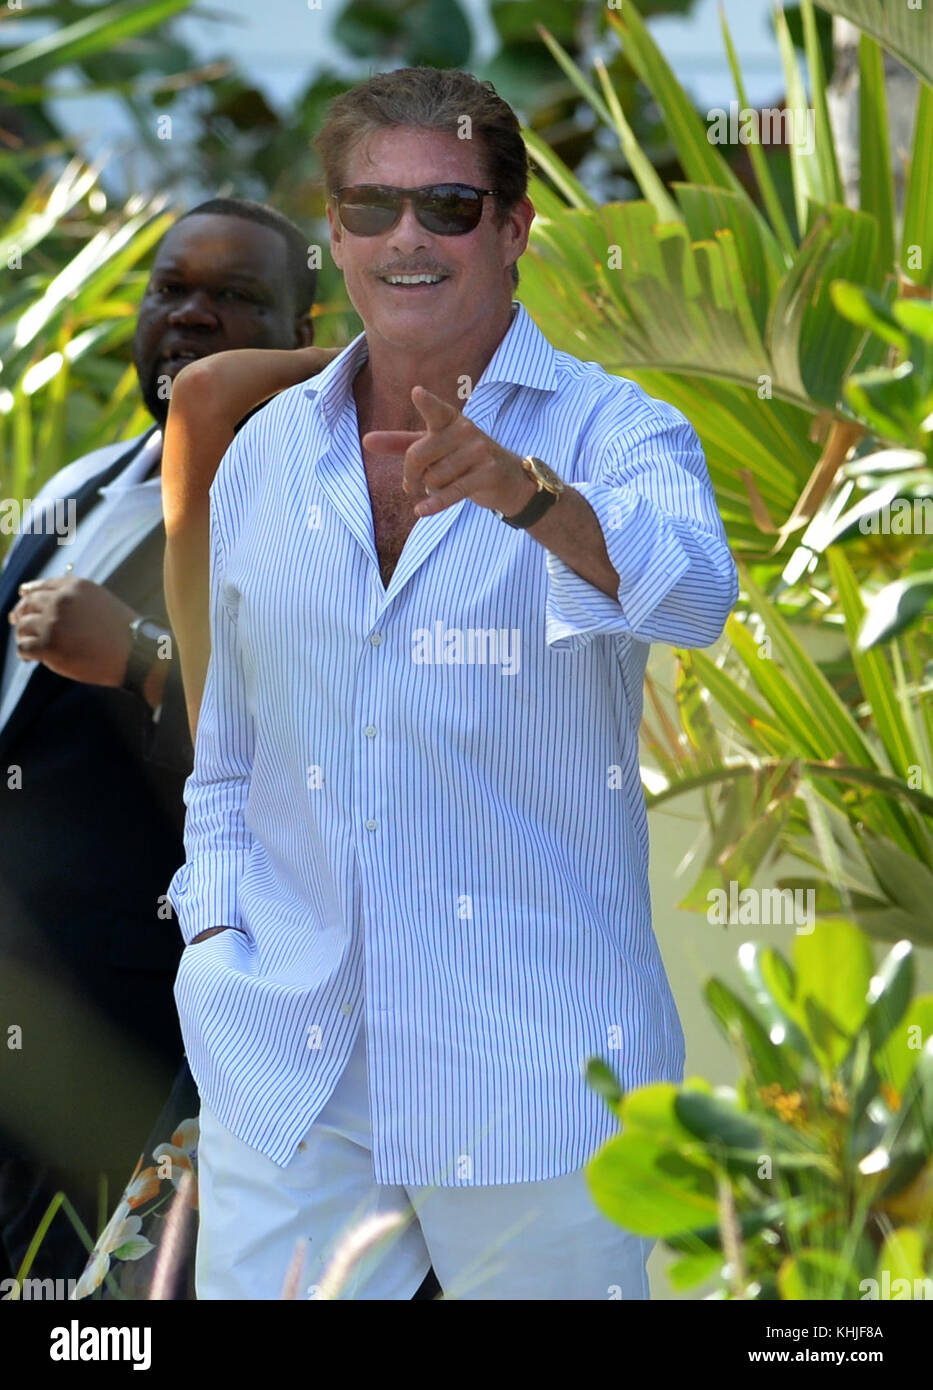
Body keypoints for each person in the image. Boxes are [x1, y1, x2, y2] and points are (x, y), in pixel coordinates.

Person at [166, 67, 739, 1301]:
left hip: (534, 1067)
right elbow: (233, 754)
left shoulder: (616, 428)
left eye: (449, 206)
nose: (407, 238)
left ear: (517, 227)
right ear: (334, 233)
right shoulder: (265, 456)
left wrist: (530, 497)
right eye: (371, 209)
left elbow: (694, 596)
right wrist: (213, 944)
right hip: (294, 1059)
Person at [0, 197, 324, 1287]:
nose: (191, 317)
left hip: (136, 1022)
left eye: (236, 298)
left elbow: (310, 738)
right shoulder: (76, 486)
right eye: (172, 289)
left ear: (302, 330)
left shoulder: (308, 509)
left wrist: (139, 651)